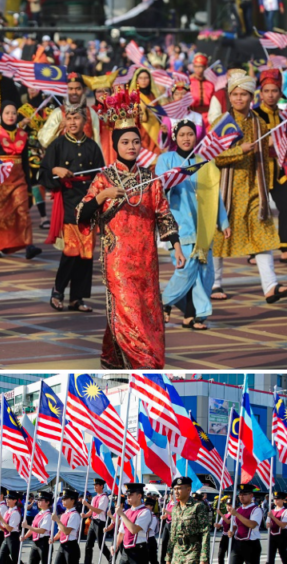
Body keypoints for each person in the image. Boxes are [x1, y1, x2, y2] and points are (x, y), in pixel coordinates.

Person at [77, 90, 182, 369]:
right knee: (129, 309)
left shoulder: (150, 178)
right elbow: (82, 213)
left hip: (147, 260)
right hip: (118, 259)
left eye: (136, 141)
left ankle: (113, 357)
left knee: (147, 311)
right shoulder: (104, 178)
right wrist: (103, 196)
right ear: (116, 145)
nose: (132, 146)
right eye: (126, 142)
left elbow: (163, 212)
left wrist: (177, 247)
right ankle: (144, 363)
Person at [211, 70, 286, 304]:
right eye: (235, 94)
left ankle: (271, 286)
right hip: (227, 189)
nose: (239, 99)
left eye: (244, 94)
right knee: (219, 235)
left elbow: (262, 159)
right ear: (229, 96)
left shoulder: (259, 122)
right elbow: (214, 157)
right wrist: (238, 151)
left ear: (251, 96)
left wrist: (263, 186)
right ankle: (215, 282)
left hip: (254, 189)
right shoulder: (222, 123)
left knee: (262, 233)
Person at [157, 120, 230, 331]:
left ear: (195, 137)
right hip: (178, 227)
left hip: (204, 226)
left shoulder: (204, 162)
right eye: (182, 135)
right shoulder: (166, 159)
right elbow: (160, 186)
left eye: (190, 134)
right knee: (186, 267)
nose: (186, 138)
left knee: (204, 272)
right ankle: (165, 299)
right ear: (174, 137)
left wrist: (223, 221)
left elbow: (214, 195)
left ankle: (197, 314)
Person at [39, 105, 104, 313]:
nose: (73, 122)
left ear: (85, 121)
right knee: (72, 249)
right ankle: (57, 290)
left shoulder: (93, 146)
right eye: (70, 118)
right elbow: (43, 173)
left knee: (86, 252)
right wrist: (55, 169)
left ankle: (77, 297)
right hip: (68, 200)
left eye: (77, 118)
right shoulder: (57, 145)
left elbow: (100, 177)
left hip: (89, 200)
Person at [0, 101, 37, 259]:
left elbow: (25, 162)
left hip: (18, 179)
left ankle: (29, 245)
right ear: (1, 115)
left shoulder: (23, 135)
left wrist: (29, 187)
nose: (11, 116)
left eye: (13, 113)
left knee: (23, 210)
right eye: (7, 113)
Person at [253, 69, 287, 265]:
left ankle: (284, 246)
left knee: (286, 207)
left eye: (274, 91)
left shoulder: (284, 116)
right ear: (261, 93)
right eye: (267, 91)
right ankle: (254, 249)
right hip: (259, 170)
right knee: (259, 211)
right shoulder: (254, 114)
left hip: (281, 171)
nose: (271, 95)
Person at [39, 73, 101, 149]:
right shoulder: (58, 112)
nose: (74, 92)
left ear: (84, 90)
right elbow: (44, 141)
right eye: (70, 89)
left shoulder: (90, 113)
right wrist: (59, 126)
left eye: (78, 89)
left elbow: (97, 142)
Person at [165, 477, 210, 564]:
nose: (176, 492)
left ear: (188, 489)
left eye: (179, 489)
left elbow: (205, 532)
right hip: (177, 552)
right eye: (175, 489)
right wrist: (168, 557)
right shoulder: (175, 509)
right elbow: (173, 534)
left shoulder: (198, 507)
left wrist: (204, 558)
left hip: (193, 551)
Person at [129, 68, 164, 157]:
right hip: (143, 131)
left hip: (156, 129)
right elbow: (131, 117)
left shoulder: (154, 94)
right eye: (140, 78)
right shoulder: (133, 96)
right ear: (136, 80)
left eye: (146, 78)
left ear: (150, 79)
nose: (143, 81)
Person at [83, 73, 117, 164]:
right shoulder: (90, 111)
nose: (103, 94)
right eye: (99, 91)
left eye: (106, 90)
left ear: (111, 92)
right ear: (94, 94)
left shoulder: (118, 109)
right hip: (99, 149)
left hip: (116, 149)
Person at [116, 483, 152, 564]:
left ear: (139, 496)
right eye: (127, 495)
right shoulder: (127, 512)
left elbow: (134, 530)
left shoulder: (145, 512)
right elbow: (121, 533)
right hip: (126, 551)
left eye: (131, 495)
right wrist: (116, 545)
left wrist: (121, 514)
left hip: (138, 551)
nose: (128, 497)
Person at [226, 484, 261, 564]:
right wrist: (231, 531)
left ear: (251, 495)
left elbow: (252, 524)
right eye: (240, 494)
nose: (241, 497)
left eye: (244, 494)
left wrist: (237, 514)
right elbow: (235, 525)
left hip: (251, 544)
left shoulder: (256, 509)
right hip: (238, 543)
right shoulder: (238, 510)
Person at [83, 479, 112, 564]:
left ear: (101, 486)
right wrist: (85, 515)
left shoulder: (104, 498)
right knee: (88, 544)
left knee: (101, 545)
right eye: (94, 485)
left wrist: (87, 505)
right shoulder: (95, 497)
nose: (95, 487)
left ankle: (111, 559)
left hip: (100, 522)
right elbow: (91, 511)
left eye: (97, 485)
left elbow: (99, 511)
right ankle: (87, 562)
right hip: (93, 521)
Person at [22, 491, 53, 564]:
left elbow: (42, 530)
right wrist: (25, 537)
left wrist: (27, 526)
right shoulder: (38, 514)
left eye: (41, 500)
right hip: (36, 542)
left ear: (47, 502)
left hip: (44, 542)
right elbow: (32, 528)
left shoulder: (48, 515)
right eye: (38, 500)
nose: (38, 502)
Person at [52, 489, 81, 564]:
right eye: (62, 499)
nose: (63, 501)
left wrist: (57, 520)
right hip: (62, 545)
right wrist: (54, 538)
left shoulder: (74, 515)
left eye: (65, 499)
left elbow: (67, 531)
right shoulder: (64, 514)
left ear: (72, 500)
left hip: (71, 546)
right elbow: (60, 531)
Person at [0, 491, 22, 564]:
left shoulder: (15, 513)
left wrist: (1, 519)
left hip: (13, 537)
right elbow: (4, 529)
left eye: (9, 499)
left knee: (15, 559)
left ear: (15, 501)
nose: (7, 500)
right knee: (1, 558)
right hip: (6, 537)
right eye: (6, 498)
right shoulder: (7, 511)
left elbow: (10, 528)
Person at [189, 54, 214, 126]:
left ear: (205, 67)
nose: (197, 69)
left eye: (200, 66)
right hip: (192, 115)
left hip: (207, 118)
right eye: (195, 66)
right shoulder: (188, 82)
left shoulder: (210, 84)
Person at [267, 490, 287, 564]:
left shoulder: (285, 511)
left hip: (282, 535)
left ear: (283, 500)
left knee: (283, 554)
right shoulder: (271, 511)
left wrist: (273, 517)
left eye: (278, 499)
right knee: (270, 555)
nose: (276, 501)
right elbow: (267, 524)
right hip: (272, 535)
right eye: (275, 499)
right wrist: (268, 525)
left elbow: (283, 525)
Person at [215, 497, 233, 564]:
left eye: (230, 505)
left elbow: (228, 522)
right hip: (224, 536)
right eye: (227, 505)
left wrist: (220, 514)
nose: (228, 507)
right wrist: (216, 525)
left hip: (231, 536)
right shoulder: (225, 515)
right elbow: (219, 525)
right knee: (220, 554)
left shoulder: (234, 515)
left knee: (230, 555)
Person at [144, 497, 159, 564]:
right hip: (144, 540)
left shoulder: (153, 517)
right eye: (145, 505)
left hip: (150, 540)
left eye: (148, 505)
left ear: (152, 507)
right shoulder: (144, 515)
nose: (146, 507)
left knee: (153, 560)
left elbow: (148, 529)